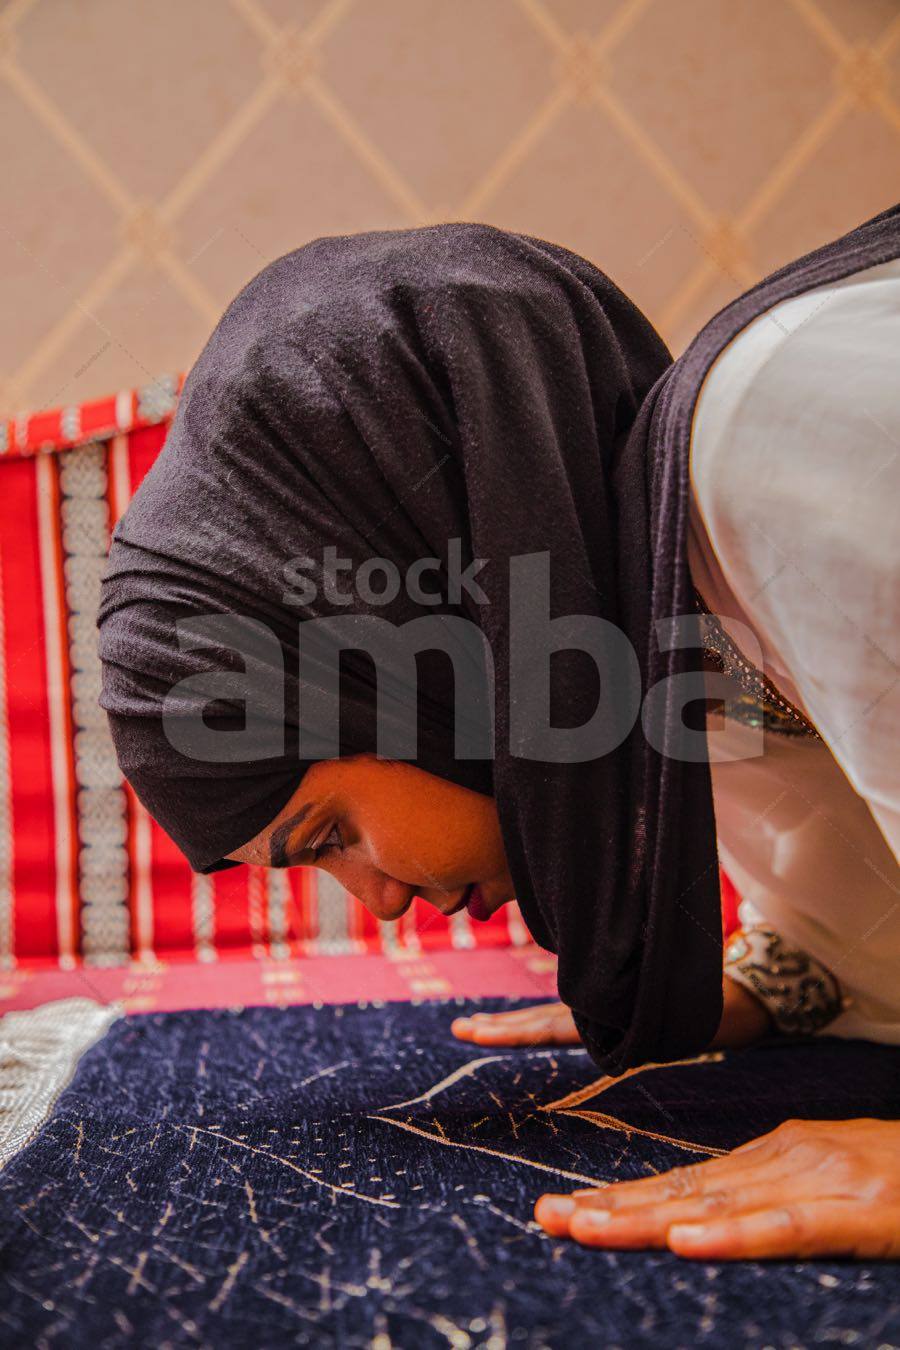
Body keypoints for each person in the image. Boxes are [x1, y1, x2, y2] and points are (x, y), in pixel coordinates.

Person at [98, 208, 900, 1261]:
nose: (382, 899)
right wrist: (789, 979)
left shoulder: (777, 431)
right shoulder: (650, 634)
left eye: (327, 832)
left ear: (401, 664)